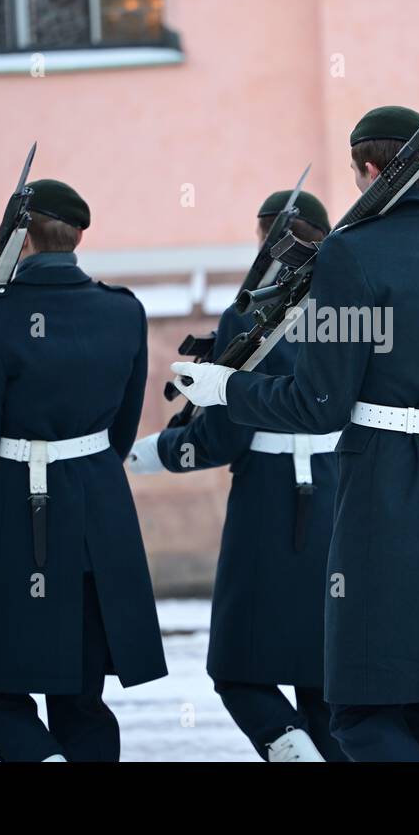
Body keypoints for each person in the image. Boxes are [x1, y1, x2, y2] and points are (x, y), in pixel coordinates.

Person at [171, 107, 419, 761]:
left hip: (382, 487)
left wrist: (227, 389)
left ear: (367, 169)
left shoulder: (353, 253)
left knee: (362, 710)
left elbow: (320, 402)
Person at [0, 179, 167, 761]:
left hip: (22, 520)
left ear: (20, 240)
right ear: (78, 237)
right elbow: (120, 433)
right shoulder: (123, 312)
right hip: (99, 512)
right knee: (81, 700)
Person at [128, 189, 346, 762]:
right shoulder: (352, 312)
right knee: (324, 673)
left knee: (238, 666)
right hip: (342, 492)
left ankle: (285, 743)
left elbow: (223, 436)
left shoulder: (246, 317)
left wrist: (159, 450)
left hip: (267, 501)